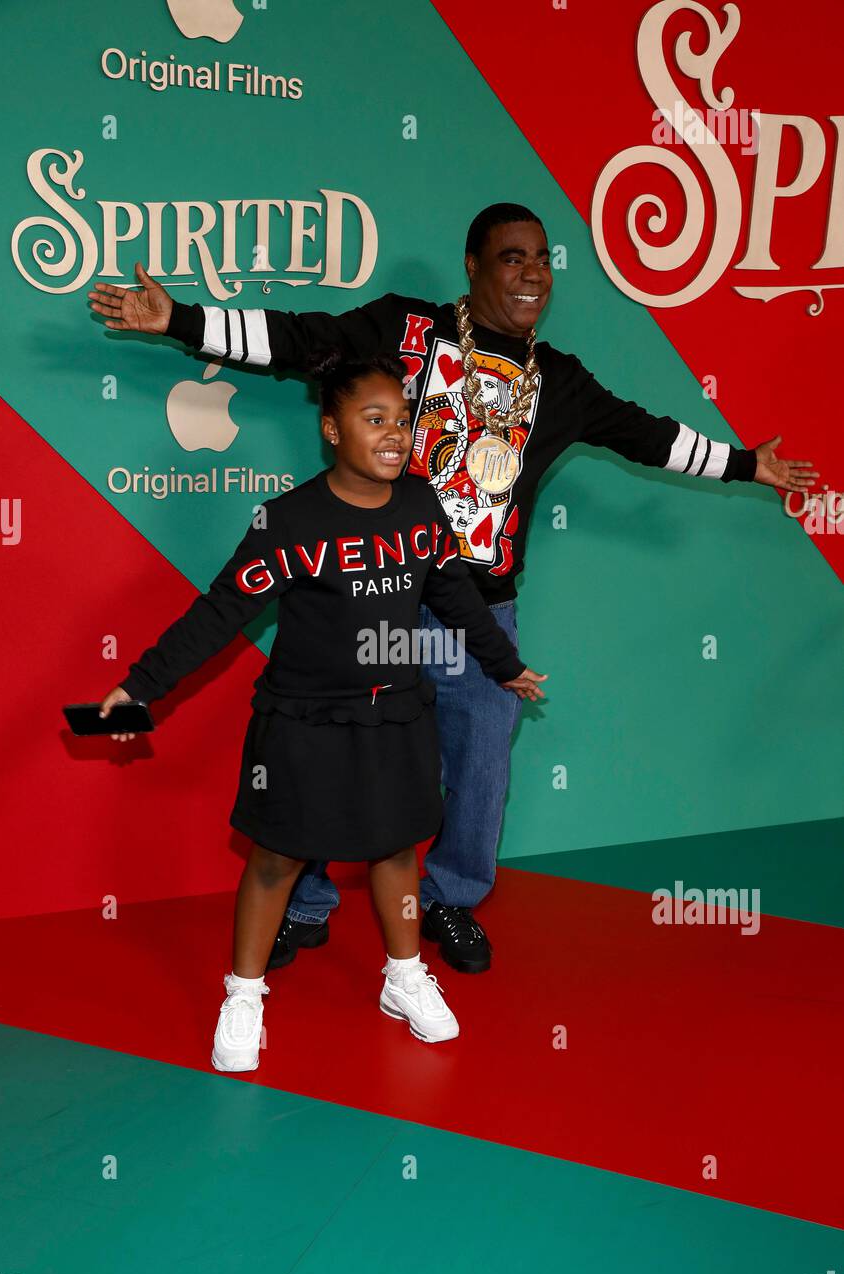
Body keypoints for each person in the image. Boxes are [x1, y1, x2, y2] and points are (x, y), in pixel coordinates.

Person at [87, 202, 817, 976]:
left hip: (479, 610)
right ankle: (304, 905)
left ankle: (449, 899)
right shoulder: (406, 331)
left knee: (479, 763)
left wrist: (745, 464)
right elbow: (298, 340)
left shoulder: (559, 381)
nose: (532, 272)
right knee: (336, 750)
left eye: (542, 258)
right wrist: (182, 321)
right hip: (380, 599)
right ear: (473, 266)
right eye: (512, 257)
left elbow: (648, 434)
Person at [98, 352, 547, 1070]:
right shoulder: (291, 520)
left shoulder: (423, 506)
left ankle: (403, 978)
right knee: (277, 857)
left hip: (396, 713)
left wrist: (505, 664)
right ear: (331, 430)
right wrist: (143, 684)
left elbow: (455, 596)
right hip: (304, 718)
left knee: (398, 849)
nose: (395, 434)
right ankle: (244, 993)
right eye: (375, 421)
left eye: (402, 420)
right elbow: (222, 611)